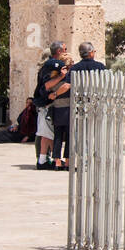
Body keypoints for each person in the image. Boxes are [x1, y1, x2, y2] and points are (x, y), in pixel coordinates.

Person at [34, 43, 70, 171]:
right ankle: (47, 160)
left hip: (44, 103)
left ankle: (43, 159)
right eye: (65, 49)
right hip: (47, 104)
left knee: (46, 133)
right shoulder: (53, 65)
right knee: (48, 133)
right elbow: (46, 85)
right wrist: (62, 77)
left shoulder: (48, 65)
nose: (66, 51)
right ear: (59, 51)